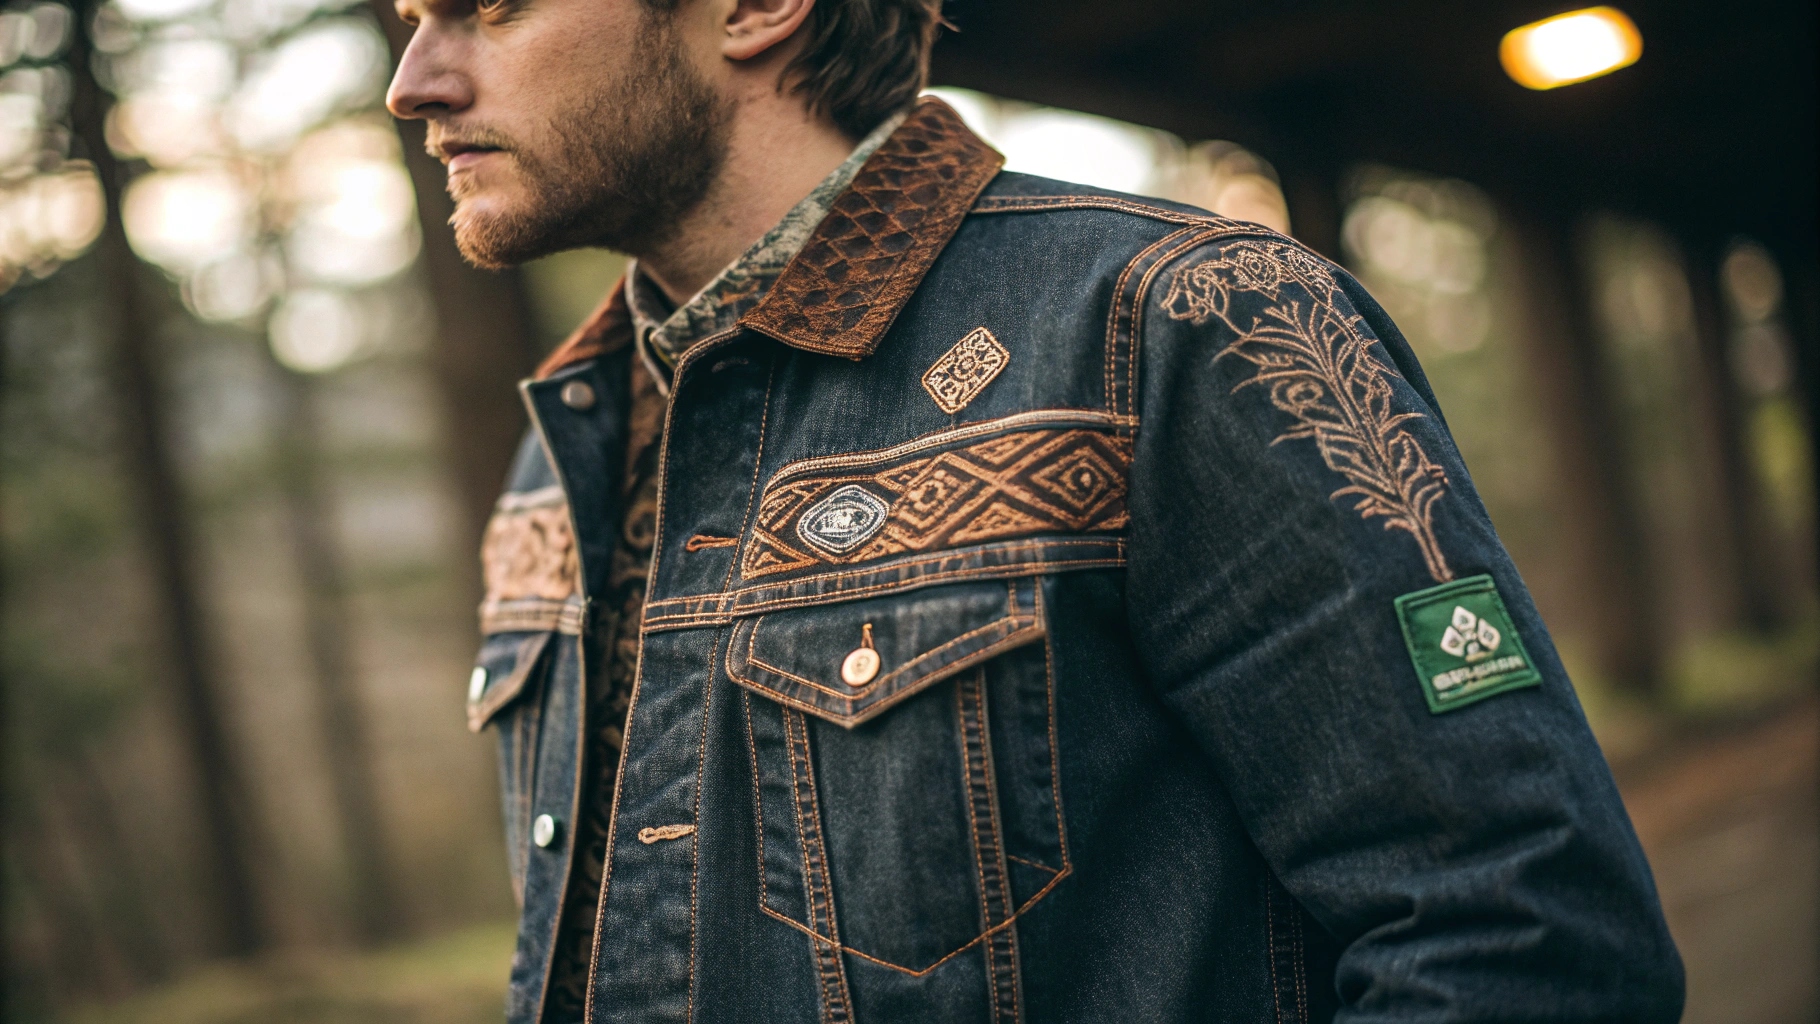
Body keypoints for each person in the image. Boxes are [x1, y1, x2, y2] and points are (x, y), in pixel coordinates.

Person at [386, 0, 1684, 1021]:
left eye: (489, 6)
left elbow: (1522, 934)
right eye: (410, 20)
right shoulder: (573, 434)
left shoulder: (1178, 322)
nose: (416, 83)